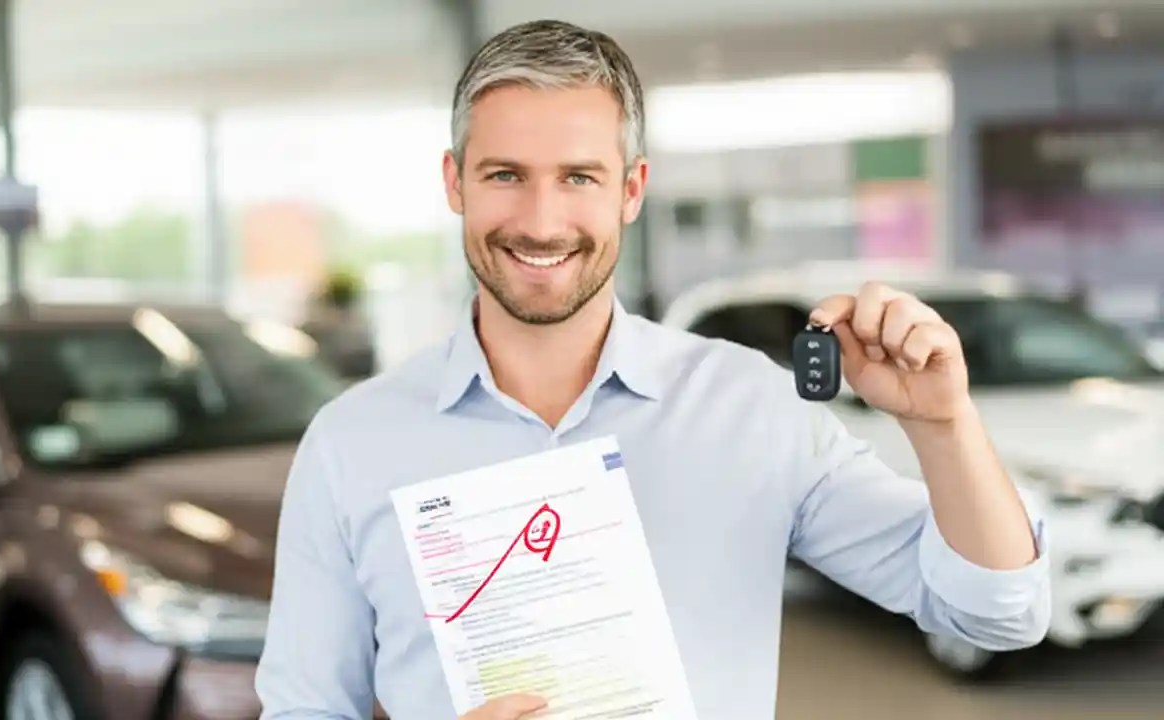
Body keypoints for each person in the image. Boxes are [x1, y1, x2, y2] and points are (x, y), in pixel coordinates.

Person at [255, 19, 1050, 720]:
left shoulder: (752, 407)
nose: (540, 221)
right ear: (454, 182)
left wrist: (943, 426)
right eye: (505, 175)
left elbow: (997, 613)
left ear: (631, 190)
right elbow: (304, 707)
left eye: (578, 177)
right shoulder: (349, 443)